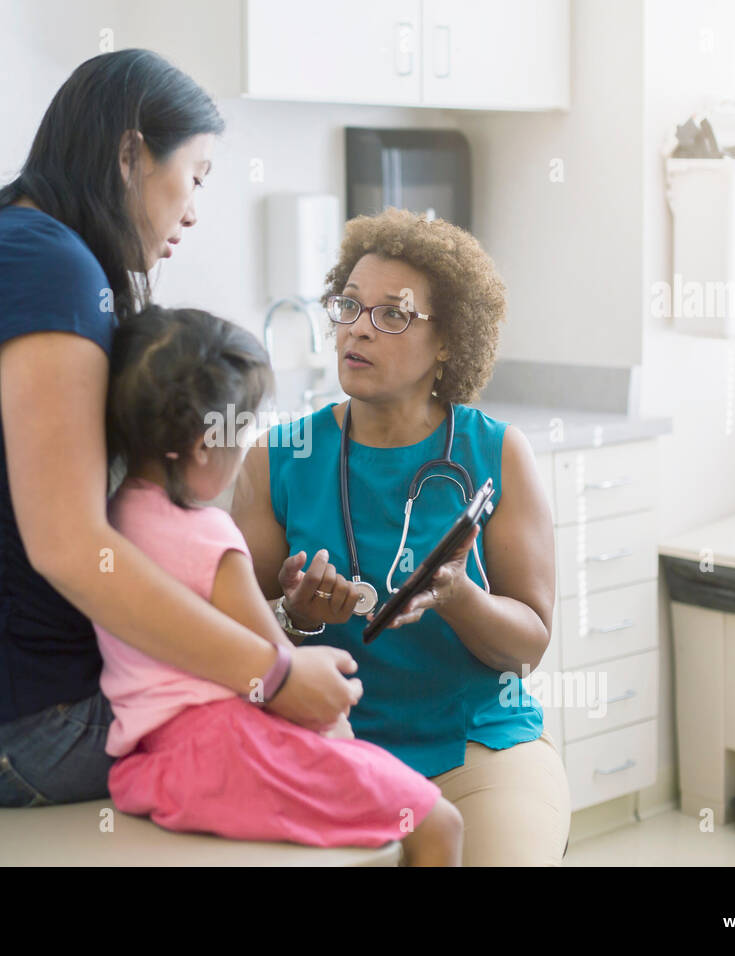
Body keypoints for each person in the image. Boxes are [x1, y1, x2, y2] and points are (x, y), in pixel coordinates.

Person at [0, 49, 359, 808]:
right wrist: (275, 676)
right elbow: (71, 548)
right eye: (196, 176)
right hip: (6, 728)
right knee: (332, 754)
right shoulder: (49, 265)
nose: (192, 211)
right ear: (130, 153)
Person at [231, 207, 572, 864]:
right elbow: (230, 634)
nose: (359, 328)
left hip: (476, 747)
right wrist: (297, 622)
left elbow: (528, 643)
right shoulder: (278, 457)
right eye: (350, 306)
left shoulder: (497, 452)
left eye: (393, 314)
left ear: (448, 341)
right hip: (330, 744)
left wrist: (458, 596)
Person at [96, 306, 463, 864]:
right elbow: (281, 672)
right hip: (230, 752)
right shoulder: (210, 537)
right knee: (438, 821)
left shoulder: (112, 517)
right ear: (202, 445)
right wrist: (342, 728)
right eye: (240, 431)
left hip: (151, 762)